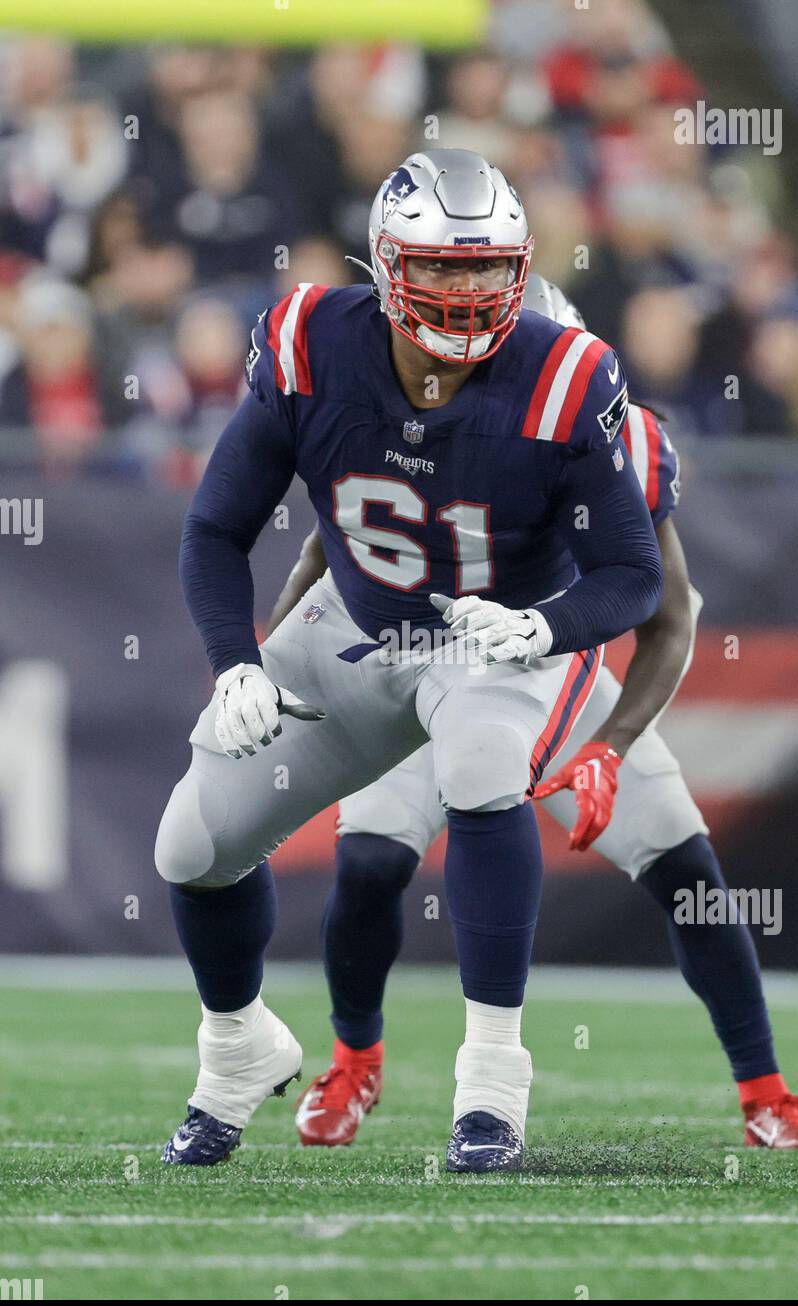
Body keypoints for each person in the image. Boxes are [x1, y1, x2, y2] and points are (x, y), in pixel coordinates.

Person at [154, 148, 663, 1172]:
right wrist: (234, 664)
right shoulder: (308, 341)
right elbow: (215, 529)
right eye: (442, 265)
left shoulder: (565, 373)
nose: (468, 289)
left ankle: (490, 1084)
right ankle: (238, 1045)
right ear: (384, 262)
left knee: (479, 769)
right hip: (355, 623)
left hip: (491, 639)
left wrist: (547, 629)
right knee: (187, 849)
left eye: (488, 267)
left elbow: (631, 575)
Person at [277, 276, 798, 1157]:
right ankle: (354, 1060)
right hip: (419, 671)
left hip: (555, 677)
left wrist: (612, 747)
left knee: (686, 870)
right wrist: (273, 664)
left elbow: (669, 612)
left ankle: (764, 1088)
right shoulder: (398, 419)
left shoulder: (615, 437)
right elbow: (324, 552)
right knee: (370, 863)